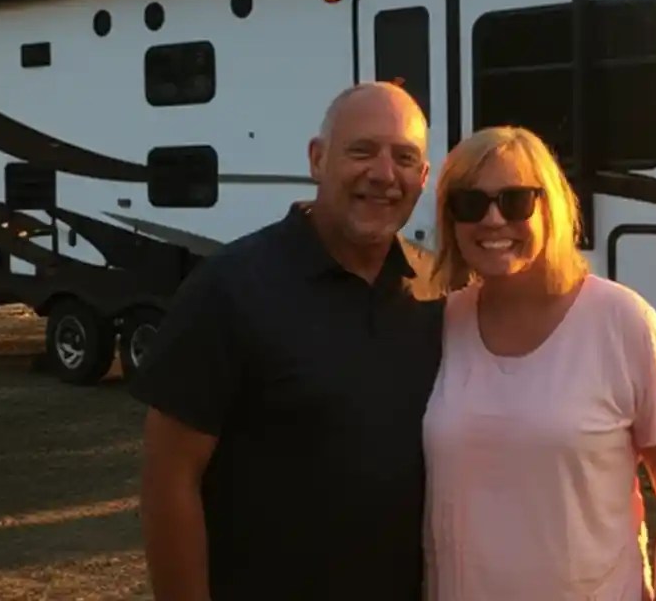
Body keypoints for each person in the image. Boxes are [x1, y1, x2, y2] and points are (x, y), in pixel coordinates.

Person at [131, 81, 444, 601]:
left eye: (405, 158)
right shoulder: (230, 288)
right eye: (361, 151)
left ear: (423, 177)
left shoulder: (436, 289)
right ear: (318, 160)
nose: (384, 175)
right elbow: (169, 479)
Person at [422, 125, 656, 601]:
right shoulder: (443, 324)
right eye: (470, 203)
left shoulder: (621, 320)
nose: (493, 220)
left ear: (550, 208)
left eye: (516, 200)